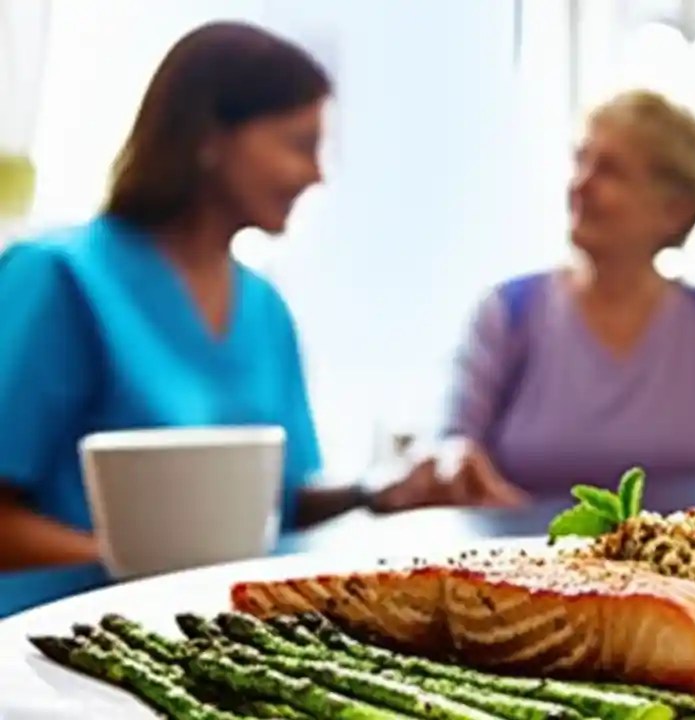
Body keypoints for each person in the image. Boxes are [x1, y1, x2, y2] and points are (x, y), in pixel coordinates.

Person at [0, 22, 449, 571]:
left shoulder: (264, 308)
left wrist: (377, 491)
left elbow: (280, 503)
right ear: (208, 137)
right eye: (299, 145)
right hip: (67, 613)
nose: (316, 175)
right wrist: (144, 572)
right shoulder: (56, 277)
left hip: (207, 616)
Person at [411, 89, 695, 499]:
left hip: (684, 543)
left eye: (609, 171)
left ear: (676, 210)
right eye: (580, 160)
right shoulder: (510, 314)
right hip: (531, 541)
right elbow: (452, 444)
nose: (579, 184)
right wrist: (453, 462)